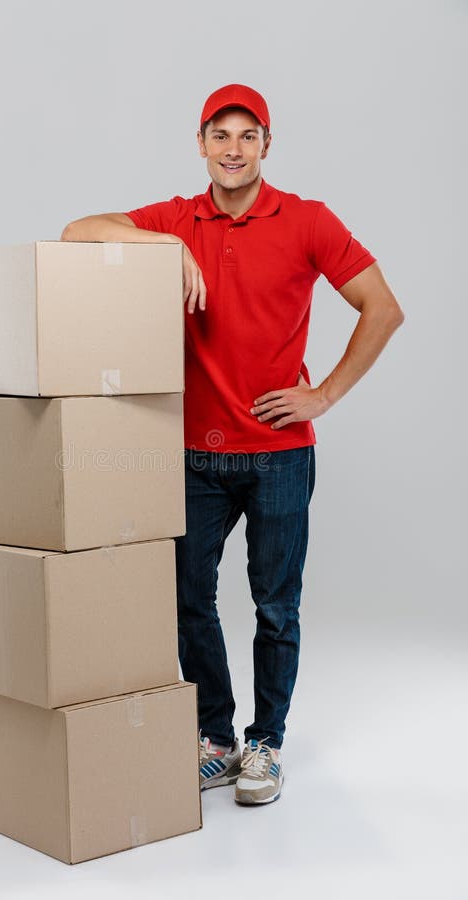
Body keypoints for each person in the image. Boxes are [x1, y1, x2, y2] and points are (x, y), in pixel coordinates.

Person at [60, 83, 404, 806]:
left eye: (249, 136)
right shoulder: (177, 218)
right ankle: (215, 739)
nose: (234, 149)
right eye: (221, 135)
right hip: (194, 454)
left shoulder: (307, 219)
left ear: (267, 146)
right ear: (201, 144)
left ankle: (266, 745)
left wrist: (325, 394)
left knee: (277, 607)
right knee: (189, 600)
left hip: (279, 454)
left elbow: (383, 307)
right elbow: (77, 231)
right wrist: (161, 243)